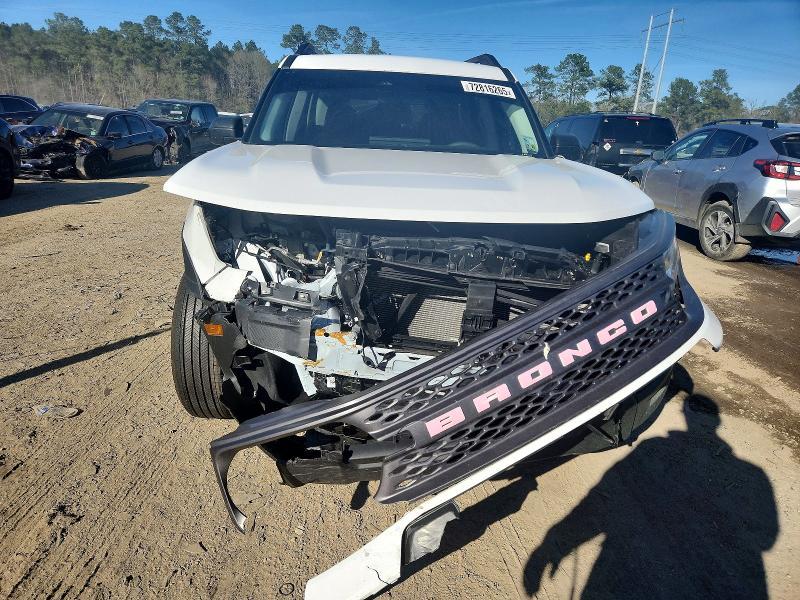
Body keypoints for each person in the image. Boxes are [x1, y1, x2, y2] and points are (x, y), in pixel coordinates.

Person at [524, 395, 778, 600]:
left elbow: (594, 500)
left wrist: (551, 548)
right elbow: (767, 538)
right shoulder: (755, 474)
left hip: (620, 563)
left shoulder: (654, 446)